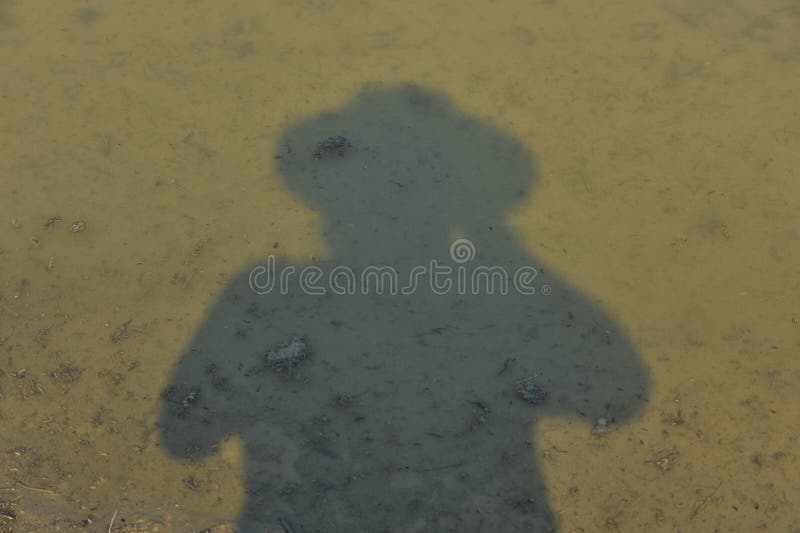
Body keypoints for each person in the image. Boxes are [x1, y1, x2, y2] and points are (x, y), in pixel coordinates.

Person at [159, 84, 649, 532]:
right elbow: (619, 394)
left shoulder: (270, 292)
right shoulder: (497, 289)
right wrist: (496, 241)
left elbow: (184, 435)